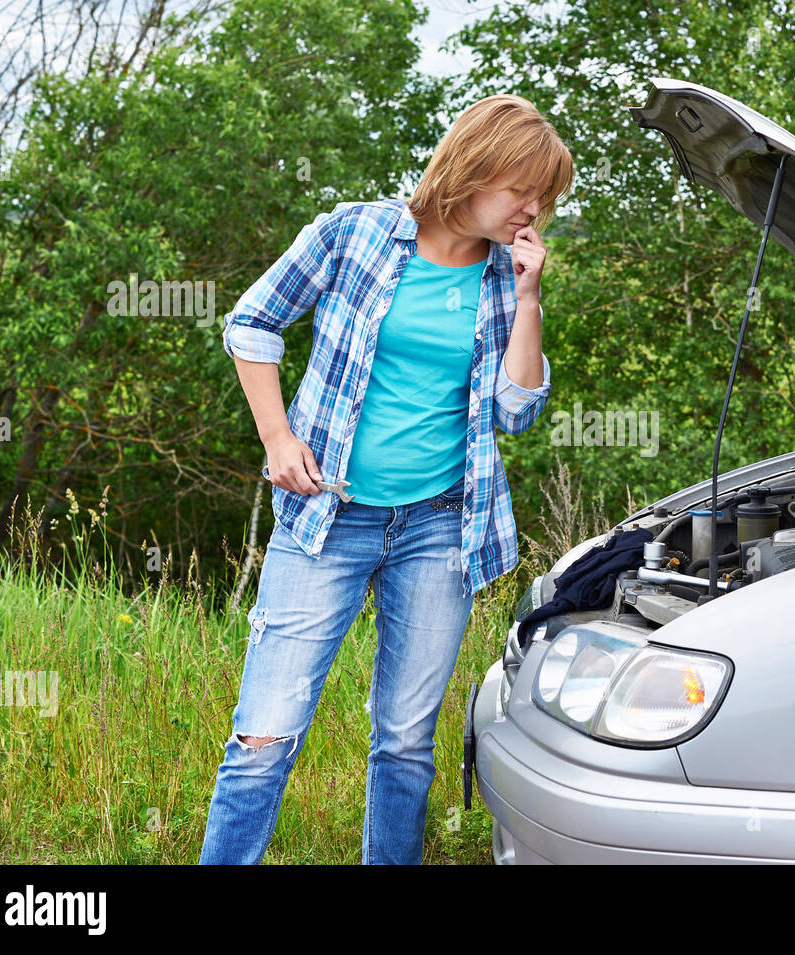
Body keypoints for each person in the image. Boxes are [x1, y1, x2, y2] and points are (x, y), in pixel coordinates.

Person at [198, 94, 574, 864]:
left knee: (404, 740)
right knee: (264, 734)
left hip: (441, 527)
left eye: (544, 196)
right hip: (326, 518)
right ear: (470, 170)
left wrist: (531, 296)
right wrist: (277, 436)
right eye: (520, 189)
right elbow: (251, 321)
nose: (533, 209)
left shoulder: (508, 275)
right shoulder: (354, 233)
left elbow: (519, 410)